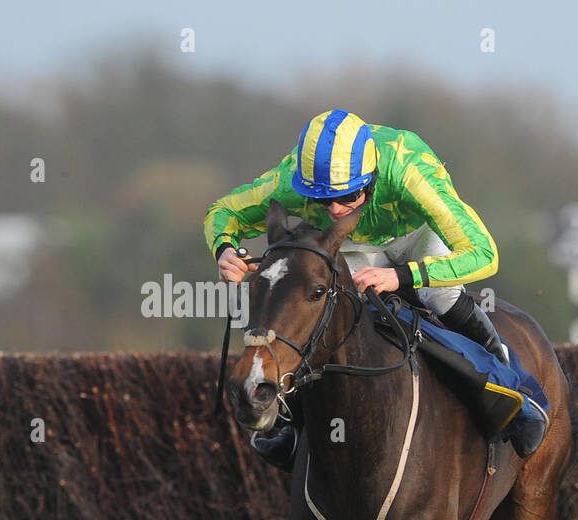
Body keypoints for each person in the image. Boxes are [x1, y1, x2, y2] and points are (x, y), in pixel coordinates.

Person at [205, 108, 546, 464]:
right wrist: (225, 249)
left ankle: (512, 383)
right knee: (328, 305)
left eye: (348, 197)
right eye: (324, 201)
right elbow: (222, 212)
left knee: (439, 294)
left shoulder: (409, 170)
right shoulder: (290, 179)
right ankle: (294, 422)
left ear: (370, 179)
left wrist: (401, 276)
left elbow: (485, 254)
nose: (335, 210)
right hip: (355, 245)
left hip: (417, 235)